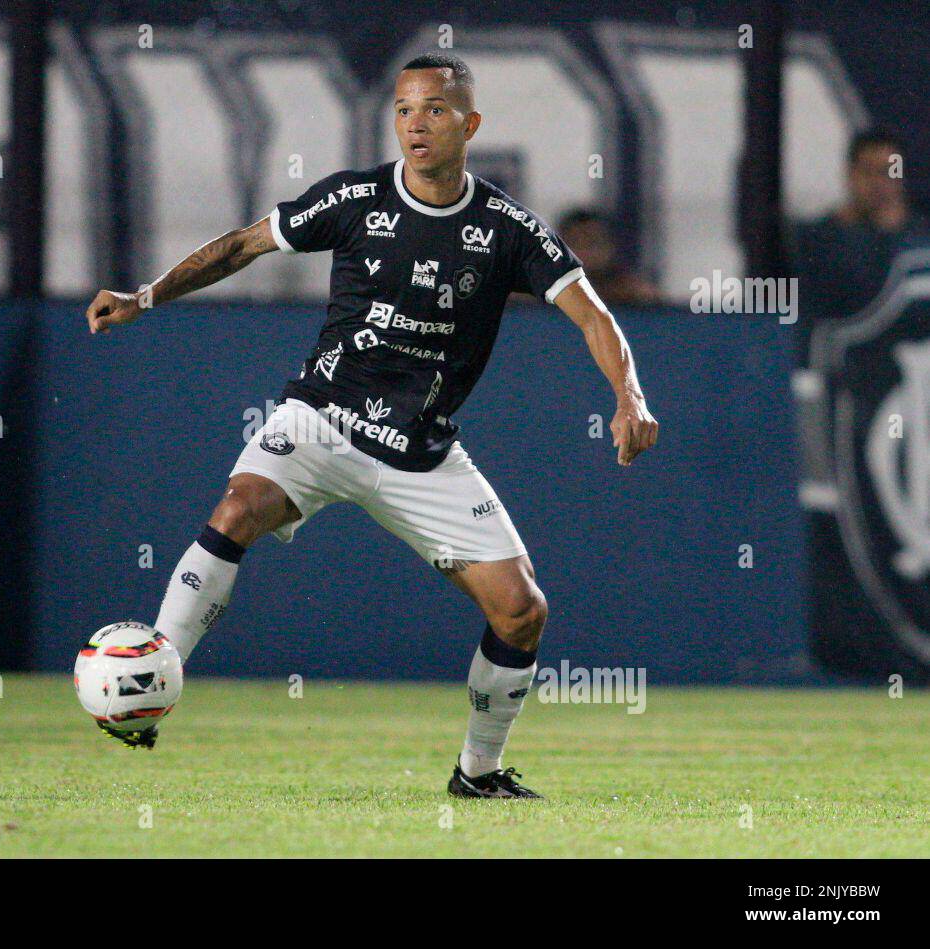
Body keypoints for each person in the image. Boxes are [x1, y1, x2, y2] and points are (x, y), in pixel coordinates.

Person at [86, 53, 659, 799]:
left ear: (470, 124)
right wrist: (147, 295)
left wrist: (630, 397)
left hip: (421, 454)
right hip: (321, 421)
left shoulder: (507, 229)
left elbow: (593, 312)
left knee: (521, 612)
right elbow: (240, 246)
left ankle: (478, 774)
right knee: (238, 506)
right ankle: (155, 673)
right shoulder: (356, 198)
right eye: (404, 109)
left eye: (436, 110)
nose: (416, 123)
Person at [793, 129, 930, 328]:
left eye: (888, 171)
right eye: (868, 171)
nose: (878, 183)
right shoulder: (818, 238)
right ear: (850, 174)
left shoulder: (922, 236)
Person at [556, 209, 660, 305]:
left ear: (610, 247)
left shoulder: (635, 293)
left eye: (592, 244)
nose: (583, 252)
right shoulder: (545, 291)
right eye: (574, 244)